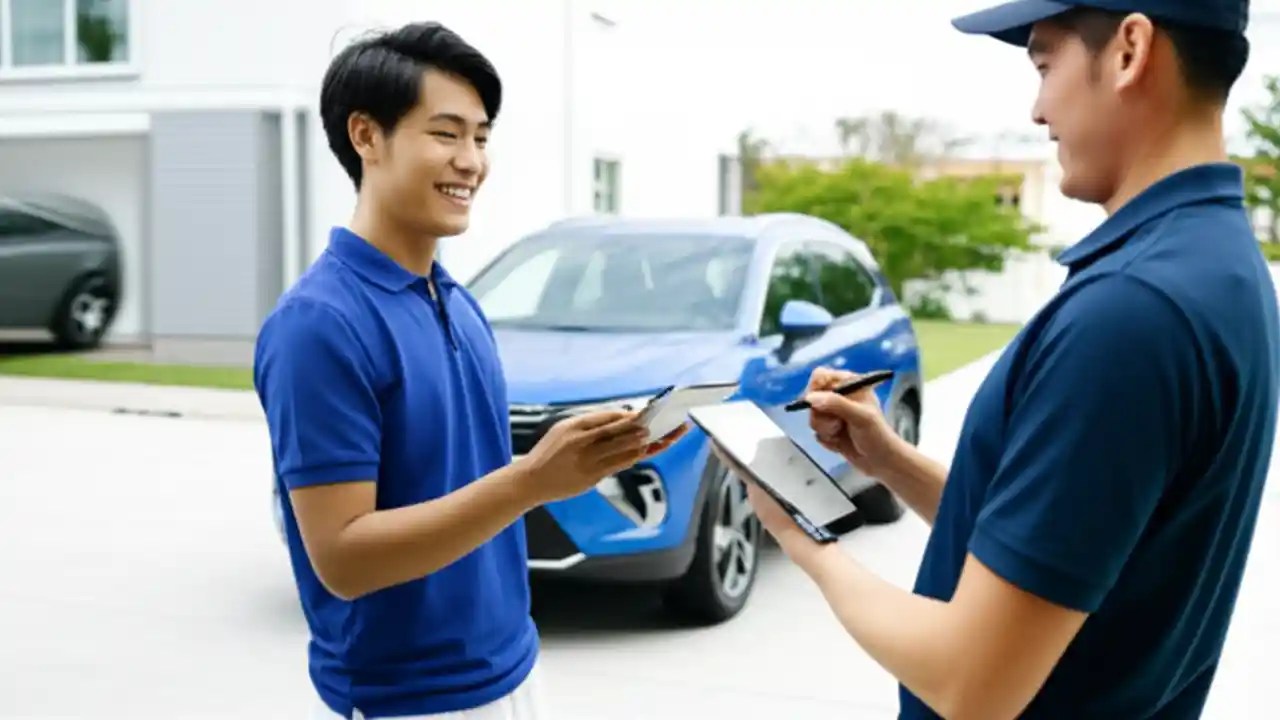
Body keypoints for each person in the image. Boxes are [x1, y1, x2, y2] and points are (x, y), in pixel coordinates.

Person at [719, 1, 1279, 718]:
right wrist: (887, 459)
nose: (1038, 110)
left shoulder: (1130, 312)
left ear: (1130, 50)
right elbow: (1061, 539)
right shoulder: (1218, 264)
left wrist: (799, 535)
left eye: (1045, 65)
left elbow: (970, 684)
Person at [253, 22, 683, 720]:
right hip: (408, 698)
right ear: (366, 136)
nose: (471, 162)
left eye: (481, 138)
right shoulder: (318, 324)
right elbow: (344, 559)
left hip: (511, 667)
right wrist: (532, 480)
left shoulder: (455, 299)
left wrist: (576, 460)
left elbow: (459, 479)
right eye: (446, 134)